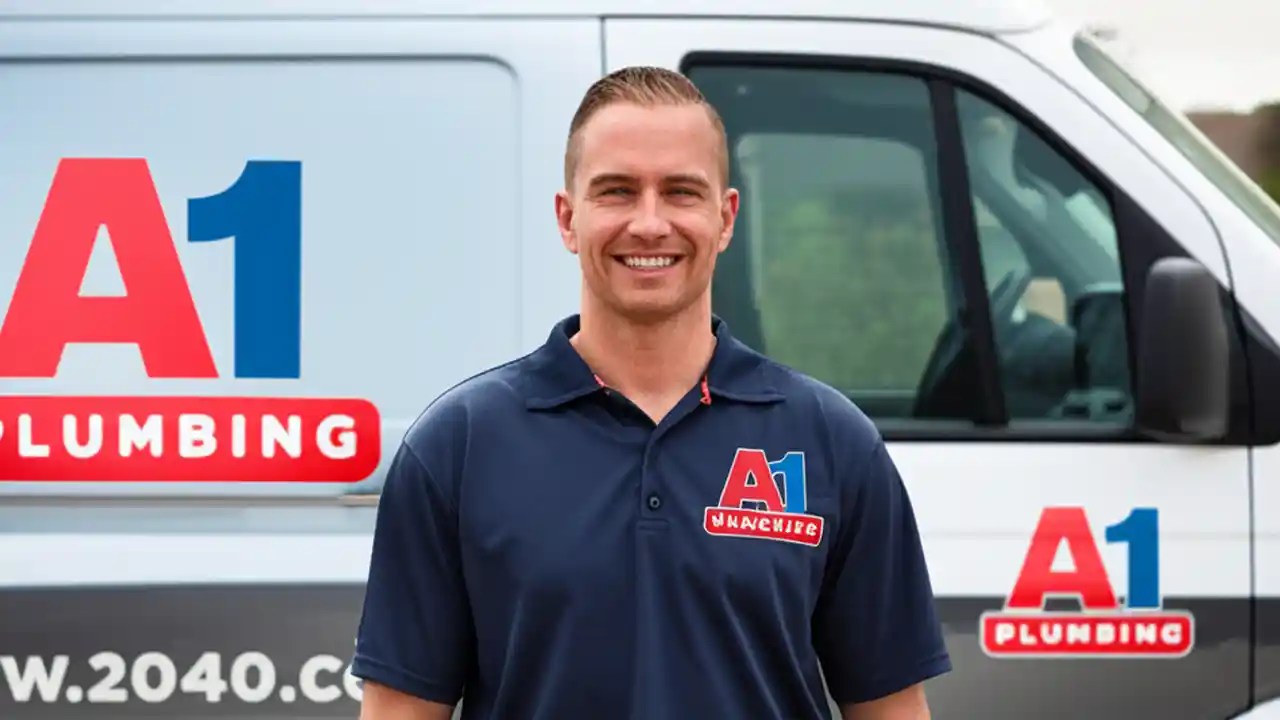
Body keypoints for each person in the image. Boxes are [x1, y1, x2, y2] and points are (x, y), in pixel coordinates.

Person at [351, 66, 952, 720]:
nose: (648, 223)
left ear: (725, 218)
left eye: (680, 192)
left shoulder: (832, 442)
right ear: (567, 218)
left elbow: (892, 711)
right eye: (616, 191)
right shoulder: (458, 447)